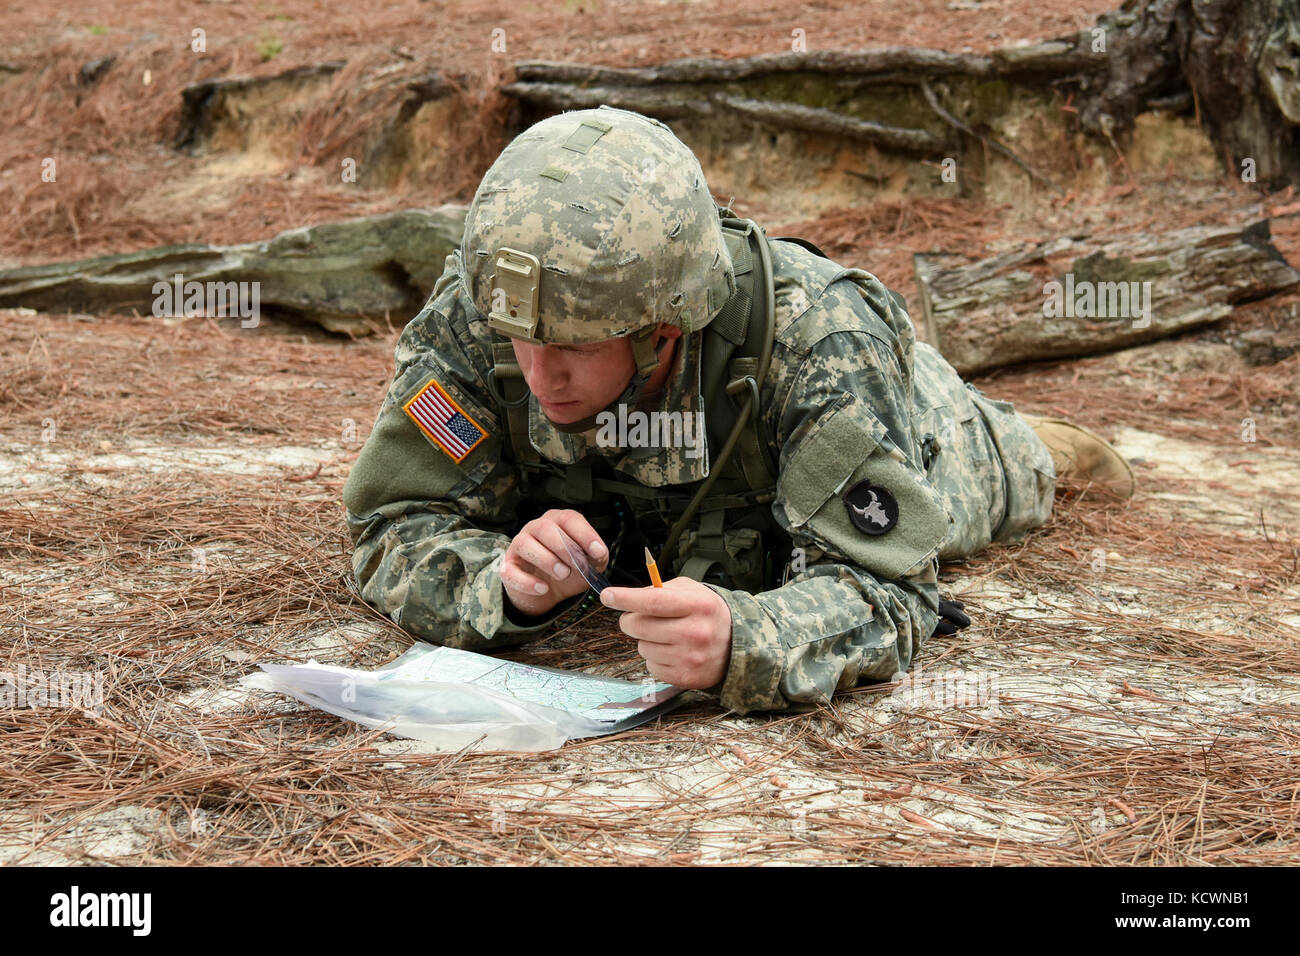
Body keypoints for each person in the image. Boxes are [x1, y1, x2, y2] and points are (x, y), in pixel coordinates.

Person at [341, 106, 1135, 715]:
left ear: (663, 327)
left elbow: (890, 592)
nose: (541, 371)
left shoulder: (816, 339)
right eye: (521, 338)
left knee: (1006, 471)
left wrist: (746, 641)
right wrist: (499, 584)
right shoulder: (486, 312)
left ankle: (1044, 443)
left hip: (934, 433)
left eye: (579, 345)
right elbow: (392, 525)